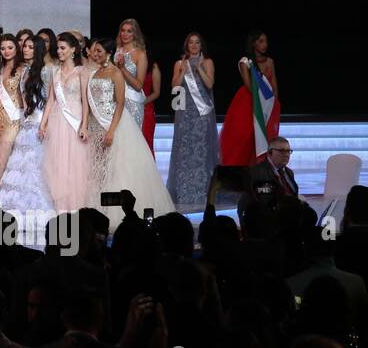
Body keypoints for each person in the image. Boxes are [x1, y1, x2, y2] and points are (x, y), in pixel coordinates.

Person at [84, 39, 175, 233]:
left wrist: (111, 130)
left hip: (114, 126)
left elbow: (120, 103)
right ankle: (100, 209)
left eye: (99, 51)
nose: (95, 54)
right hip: (96, 127)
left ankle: (118, 212)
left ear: (108, 53)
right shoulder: (93, 73)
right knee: (100, 171)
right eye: (93, 51)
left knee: (117, 169)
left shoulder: (115, 73)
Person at [0, 35, 55, 248]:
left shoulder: (46, 71)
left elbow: (51, 101)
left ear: (37, 49)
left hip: (40, 125)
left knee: (34, 169)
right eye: (25, 46)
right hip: (27, 124)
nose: (25, 49)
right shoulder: (26, 71)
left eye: (29, 46)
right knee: (19, 168)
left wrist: (44, 123)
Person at [40, 33, 92, 214]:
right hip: (57, 121)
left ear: (73, 50)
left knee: (76, 165)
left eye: (62, 48)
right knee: (58, 164)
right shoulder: (55, 72)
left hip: (75, 120)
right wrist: (43, 123)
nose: (59, 51)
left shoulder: (82, 72)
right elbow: (50, 101)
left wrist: (84, 125)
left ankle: (77, 208)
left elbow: (86, 101)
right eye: (58, 48)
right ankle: (61, 209)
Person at [168, 32, 219, 209]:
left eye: (197, 42)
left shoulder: (208, 62)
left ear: (201, 45)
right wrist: (183, 70)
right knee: (184, 152)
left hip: (202, 114)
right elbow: (175, 88)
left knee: (201, 152)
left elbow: (210, 85)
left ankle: (204, 192)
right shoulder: (179, 63)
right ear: (187, 45)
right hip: (185, 113)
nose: (194, 45)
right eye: (191, 42)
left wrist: (199, 69)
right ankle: (184, 191)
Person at [220, 30, 280, 165]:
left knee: (267, 138)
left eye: (266, 41)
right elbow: (249, 86)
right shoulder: (245, 62)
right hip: (248, 104)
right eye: (261, 41)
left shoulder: (270, 62)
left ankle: (263, 170)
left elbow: (274, 85)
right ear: (253, 44)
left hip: (268, 104)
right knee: (246, 138)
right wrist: (262, 103)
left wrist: (273, 103)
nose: (265, 45)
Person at [0, 34, 24, 190]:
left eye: (10, 48)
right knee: (1, 155)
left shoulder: (22, 69)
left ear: (16, 48)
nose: (6, 51)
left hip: (14, 120)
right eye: (3, 48)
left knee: (5, 159)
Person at [113, 18, 149, 129]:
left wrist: (123, 69)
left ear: (135, 33)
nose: (125, 34)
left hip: (132, 102)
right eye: (123, 30)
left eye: (129, 31)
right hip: (115, 101)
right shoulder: (116, 51)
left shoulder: (140, 54)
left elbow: (139, 85)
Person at [251, 136, 299, 201]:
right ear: (270, 153)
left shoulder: (289, 172)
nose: (286, 155)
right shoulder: (257, 172)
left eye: (288, 151)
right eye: (282, 151)